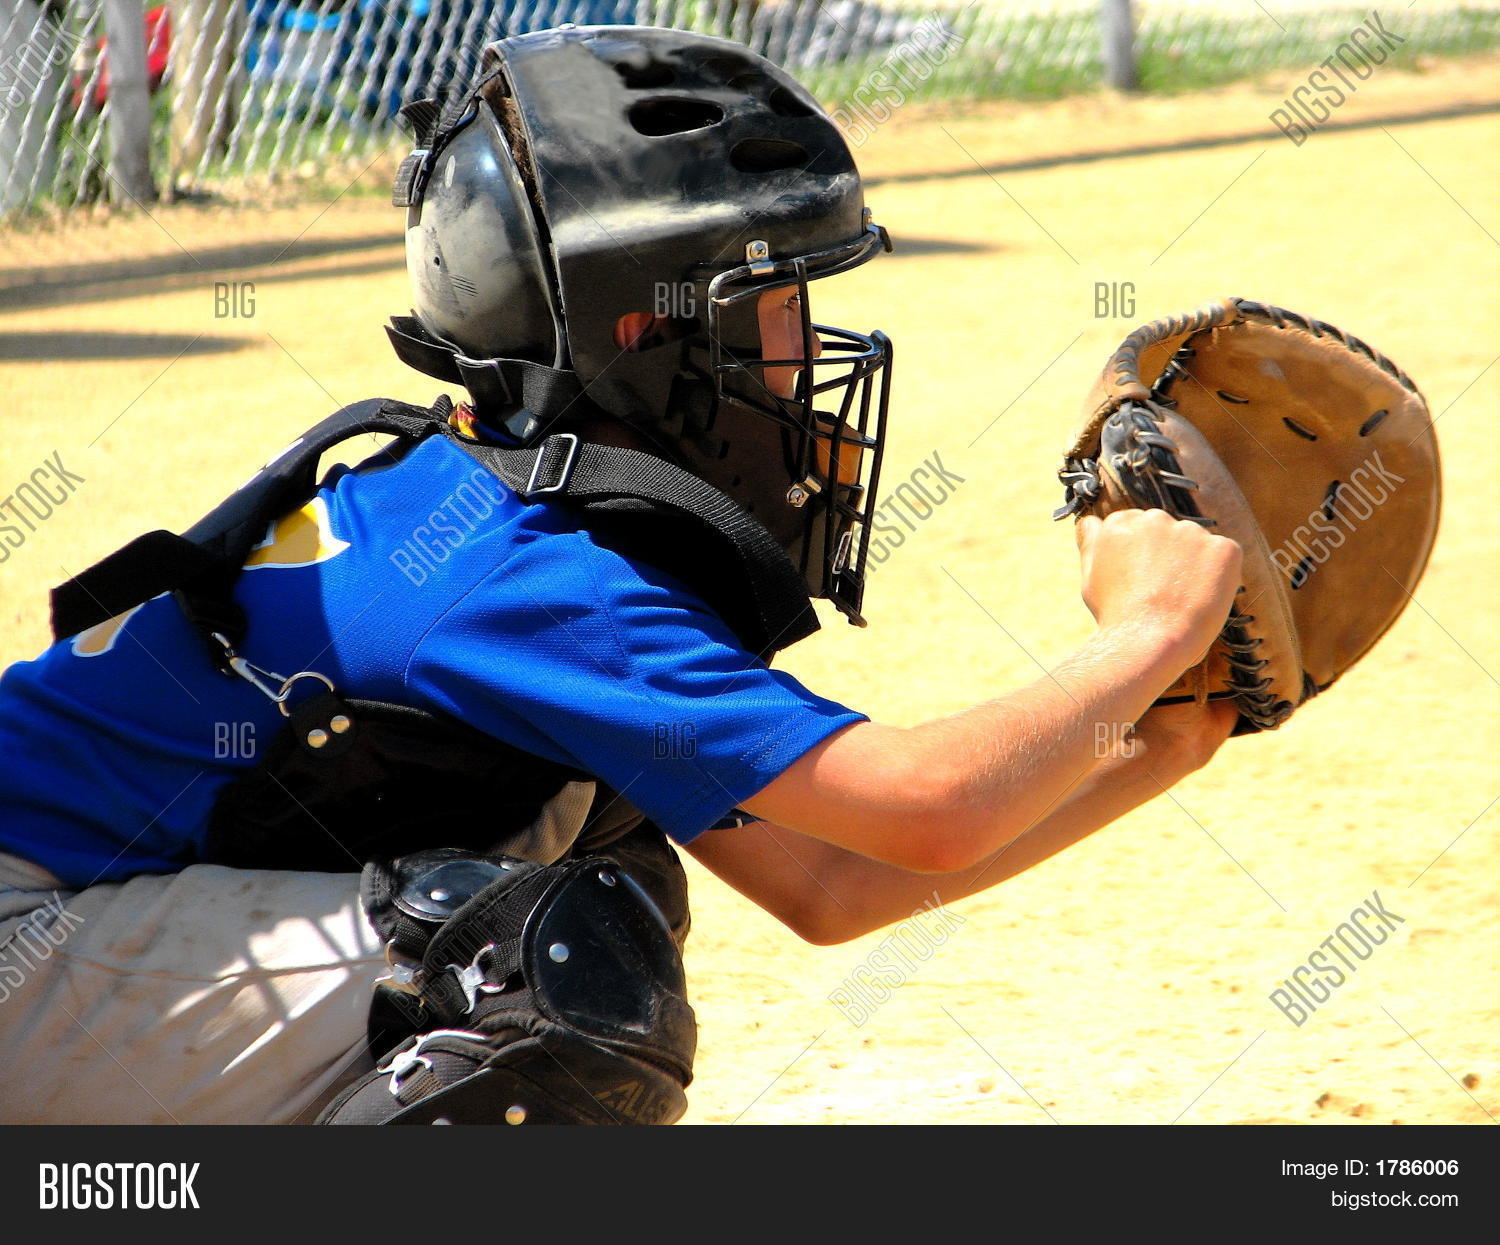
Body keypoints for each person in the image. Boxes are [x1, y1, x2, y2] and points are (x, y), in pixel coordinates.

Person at [0, 25, 1242, 1125]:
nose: (808, 349)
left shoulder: (503, 502)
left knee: (590, 869)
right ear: (650, 329)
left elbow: (828, 881)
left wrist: (1173, 735)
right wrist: (1148, 631)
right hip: (28, 931)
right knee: (540, 979)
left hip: (74, 926)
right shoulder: (539, 577)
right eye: (776, 300)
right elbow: (925, 806)